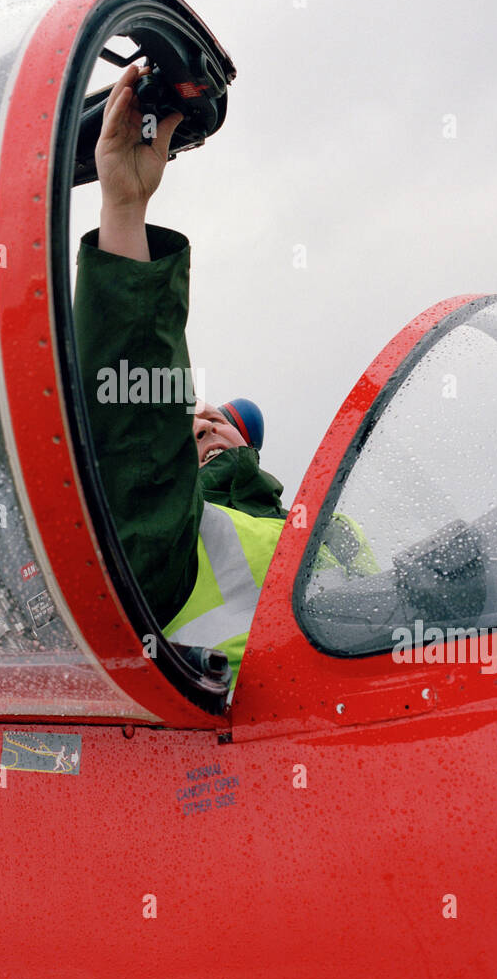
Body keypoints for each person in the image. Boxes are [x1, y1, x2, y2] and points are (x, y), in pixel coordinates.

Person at [73, 63, 374, 687]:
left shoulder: (330, 525)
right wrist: (123, 207)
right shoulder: (173, 530)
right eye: (188, 425)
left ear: (249, 443)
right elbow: (137, 424)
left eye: (218, 419)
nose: (204, 419)